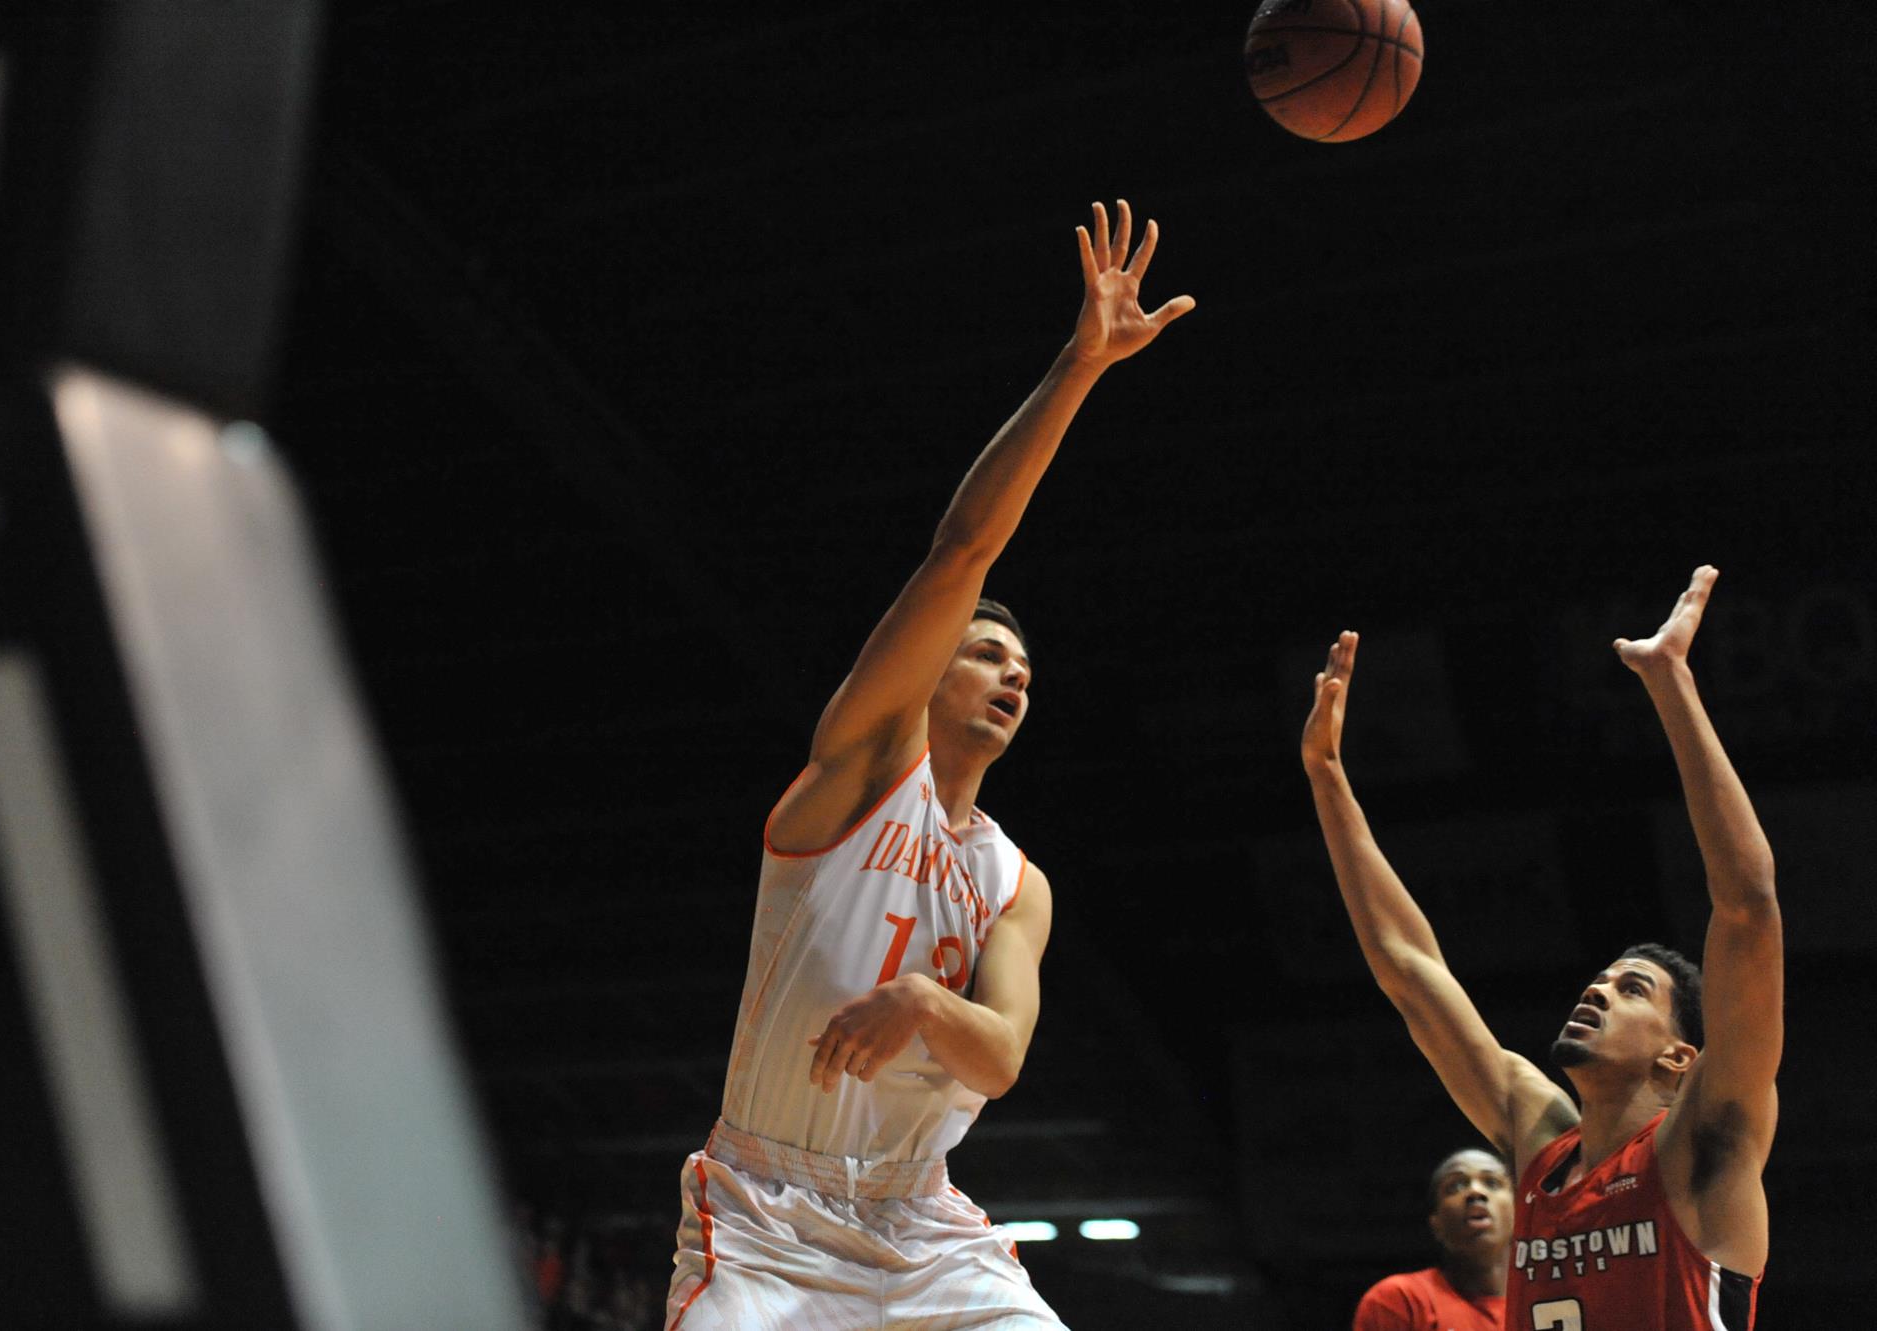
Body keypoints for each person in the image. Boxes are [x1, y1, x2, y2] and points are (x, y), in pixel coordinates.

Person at [662, 200, 1193, 1329]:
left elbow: (997, 1056)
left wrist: (915, 1000)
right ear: (926, 674)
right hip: (766, 1209)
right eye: (986, 652)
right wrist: (1078, 366)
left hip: (920, 1224)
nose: (1013, 675)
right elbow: (965, 547)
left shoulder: (1017, 879)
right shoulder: (859, 766)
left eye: (1025, 669)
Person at [1301, 567, 1777, 1331]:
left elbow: (1749, 907)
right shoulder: (1542, 1143)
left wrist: (1670, 684)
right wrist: (1327, 779)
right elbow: (1412, 973)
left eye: (1632, 990)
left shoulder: (1705, 1140)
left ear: (1679, 1057)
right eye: (1600, 979)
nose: (1595, 991)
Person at [1352, 1147, 1510, 1331]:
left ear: (1520, 1209)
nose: (1475, 1192)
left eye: (1492, 1182)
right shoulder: (1401, 1300)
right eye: (1456, 1186)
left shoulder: (1542, 1303)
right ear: (1436, 1224)